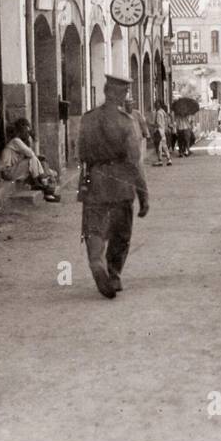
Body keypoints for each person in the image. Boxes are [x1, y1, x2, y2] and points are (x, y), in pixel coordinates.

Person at [79, 75, 150, 299]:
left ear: (105, 91)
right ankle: (114, 274)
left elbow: (81, 154)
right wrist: (143, 194)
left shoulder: (87, 119)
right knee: (121, 233)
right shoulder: (126, 122)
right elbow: (135, 162)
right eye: (125, 92)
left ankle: (96, 262)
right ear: (119, 95)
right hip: (121, 184)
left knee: (94, 227)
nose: (126, 96)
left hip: (95, 182)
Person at [0, 119, 61, 201]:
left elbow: (32, 154)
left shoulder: (19, 142)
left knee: (42, 164)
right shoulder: (16, 141)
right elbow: (31, 154)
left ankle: (45, 188)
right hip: (7, 172)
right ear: (20, 131)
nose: (28, 134)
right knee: (33, 159)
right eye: (26, 132)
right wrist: (34, 140)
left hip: (12, 170)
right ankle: (43, 186)